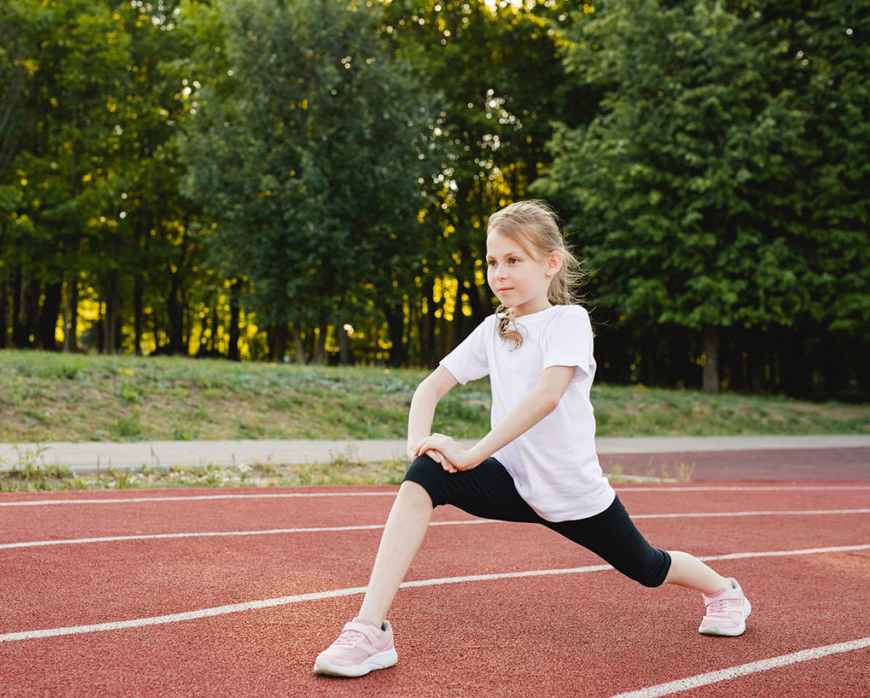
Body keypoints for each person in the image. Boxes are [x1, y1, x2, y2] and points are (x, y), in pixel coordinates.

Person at [313, 199, 752, 678]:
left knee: (648, 567)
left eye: (513, 260)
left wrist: (471, 453)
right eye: (492, 262)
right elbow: (429, 387)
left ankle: (722, 589)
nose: (499, 273)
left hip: (571, 494)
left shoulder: (569, 322)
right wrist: (420, 445)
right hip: (512, 484)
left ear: (551, 264)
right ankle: (369, 630)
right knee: (424, 475)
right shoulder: (491, 330)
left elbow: (546, 396)